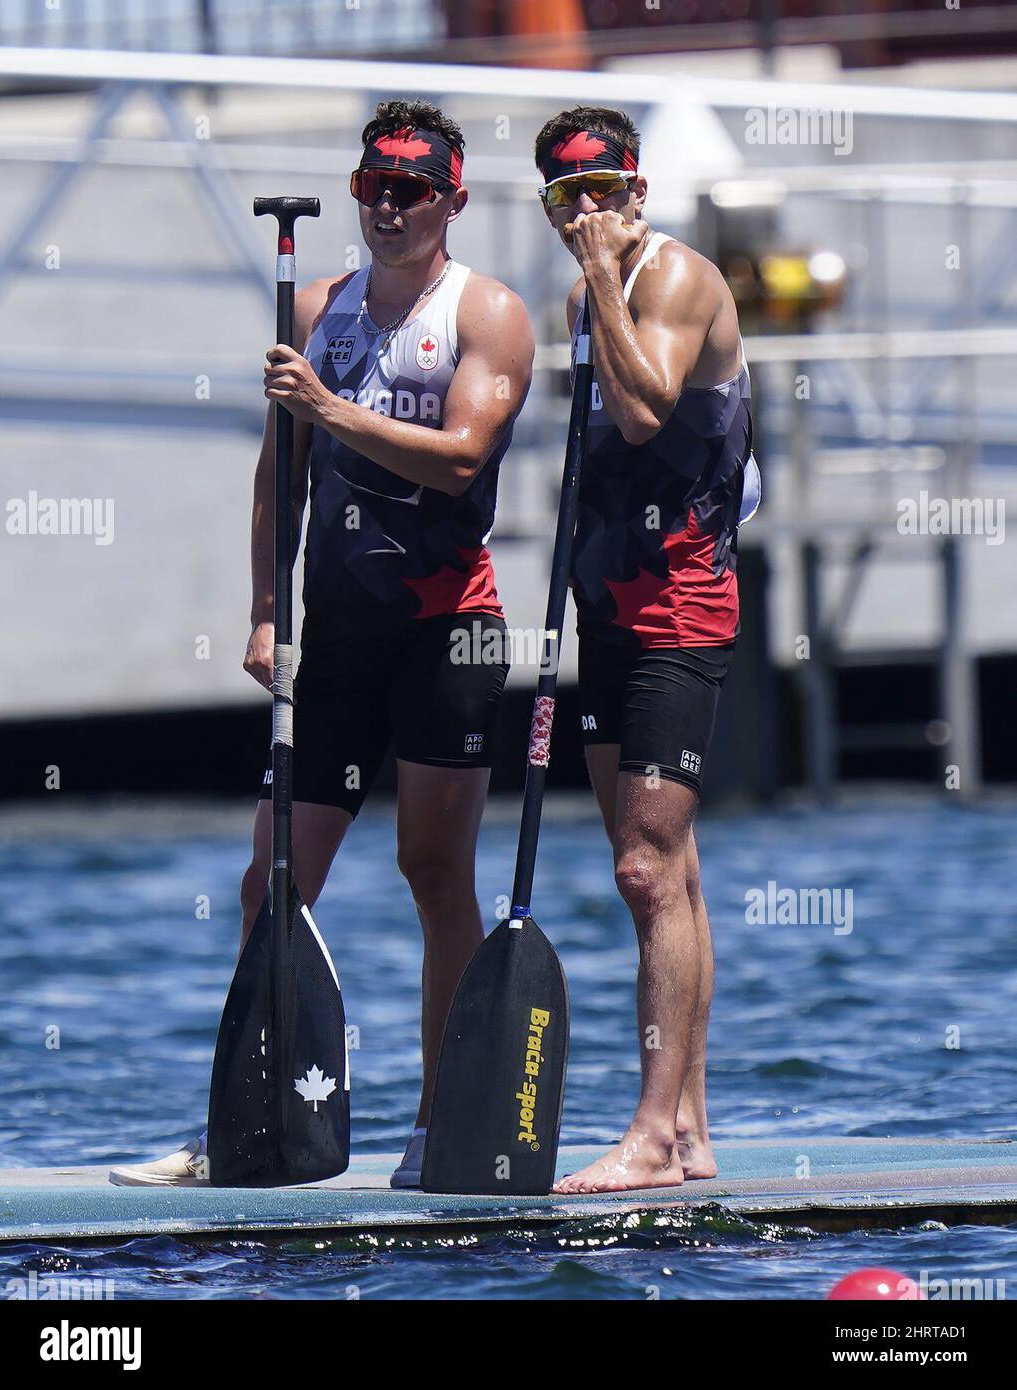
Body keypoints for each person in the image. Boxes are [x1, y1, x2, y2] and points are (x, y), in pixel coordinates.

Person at [110, 99, 534, 1189]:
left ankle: (442, 1123)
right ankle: (254, 1120)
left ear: (451, 201)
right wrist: (265, 607)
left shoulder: (488, 314)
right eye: (372, 186)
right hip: (337, 638)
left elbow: (460, 458)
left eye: (412, 190)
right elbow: (277, 479)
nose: (389, 206)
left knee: (434, 868)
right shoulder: (316, 310)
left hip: (455, 633)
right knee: (270, 879)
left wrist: (330, 407)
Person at [534, 106, 758, 1193]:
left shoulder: (671, 281)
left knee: (643, 865)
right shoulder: (584, 297)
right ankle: (693, 1130)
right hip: (606, 610)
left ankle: (650, 1131)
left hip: (681, 609)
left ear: (639, 192)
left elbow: (641, 409)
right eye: (564, 200)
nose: (587, 217)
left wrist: (605, 274)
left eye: (603, 193)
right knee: (663, 877)